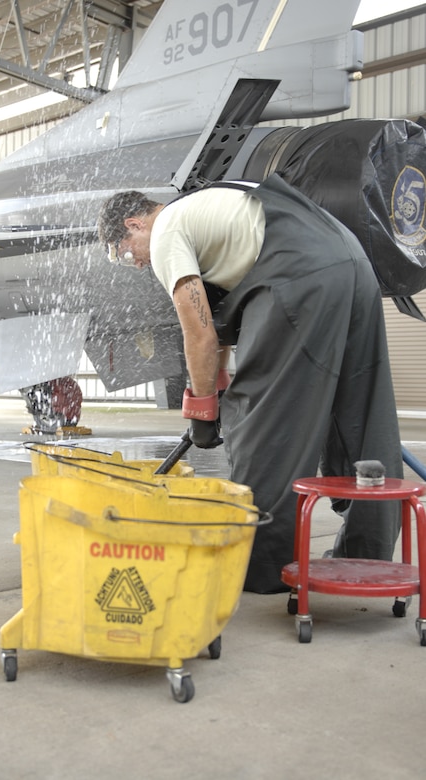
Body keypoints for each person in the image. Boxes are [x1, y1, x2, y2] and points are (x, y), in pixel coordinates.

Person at [97, 174, 404, 594]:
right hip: (352, 262)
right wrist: (214, 382)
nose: (133, 262)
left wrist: (204, 407)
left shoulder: (167, 230)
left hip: (299, 275)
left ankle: (264, 563)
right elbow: (220, 329)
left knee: (264, 419)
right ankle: (367, 555)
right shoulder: (210, 203)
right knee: (362, 411)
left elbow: (199, 333)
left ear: (133, 224)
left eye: (121, 253)